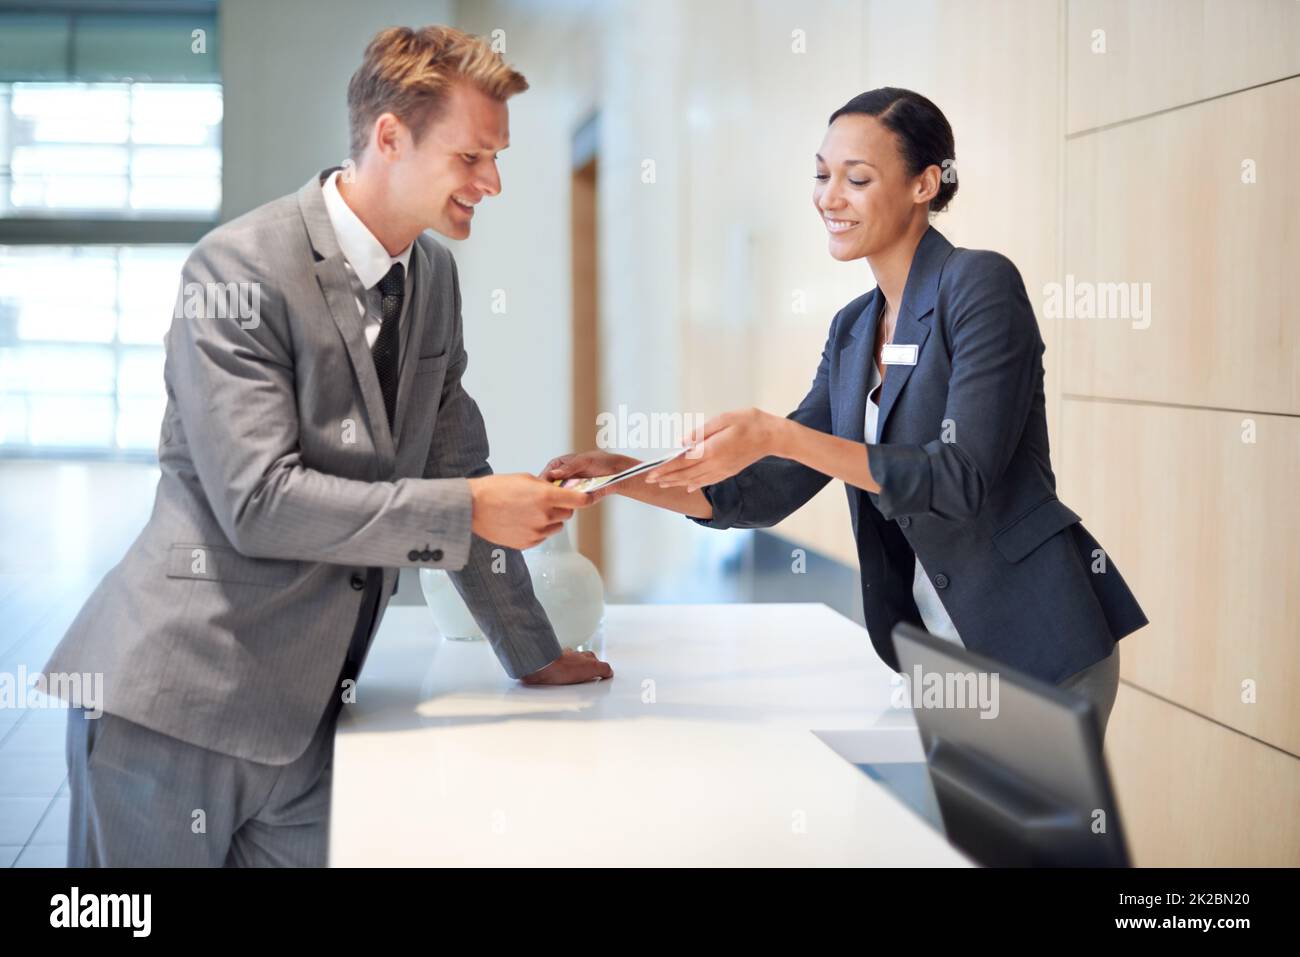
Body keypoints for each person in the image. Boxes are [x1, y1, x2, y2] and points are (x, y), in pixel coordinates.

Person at [43, 25, 608, 867]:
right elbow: (259, 503)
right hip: (171, 710)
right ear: (390, 136)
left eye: (498, 157)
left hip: (309, 722)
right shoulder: (235, 270)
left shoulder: (434, 279)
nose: (492, 182)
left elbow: (458, 469)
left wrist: (533, 651)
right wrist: (469, 509)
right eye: (470, 158)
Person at [545, 87, 1147, 741]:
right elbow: (766, 488)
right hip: (938, 654)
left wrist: (780, 433)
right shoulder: (854, 329)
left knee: (1034, 848)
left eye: (856, 178)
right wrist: (621, 475)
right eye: (822, 174)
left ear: (924, 183)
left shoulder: (978, 285)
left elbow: (958, 477)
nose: (829, 197)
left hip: (1035, 644)